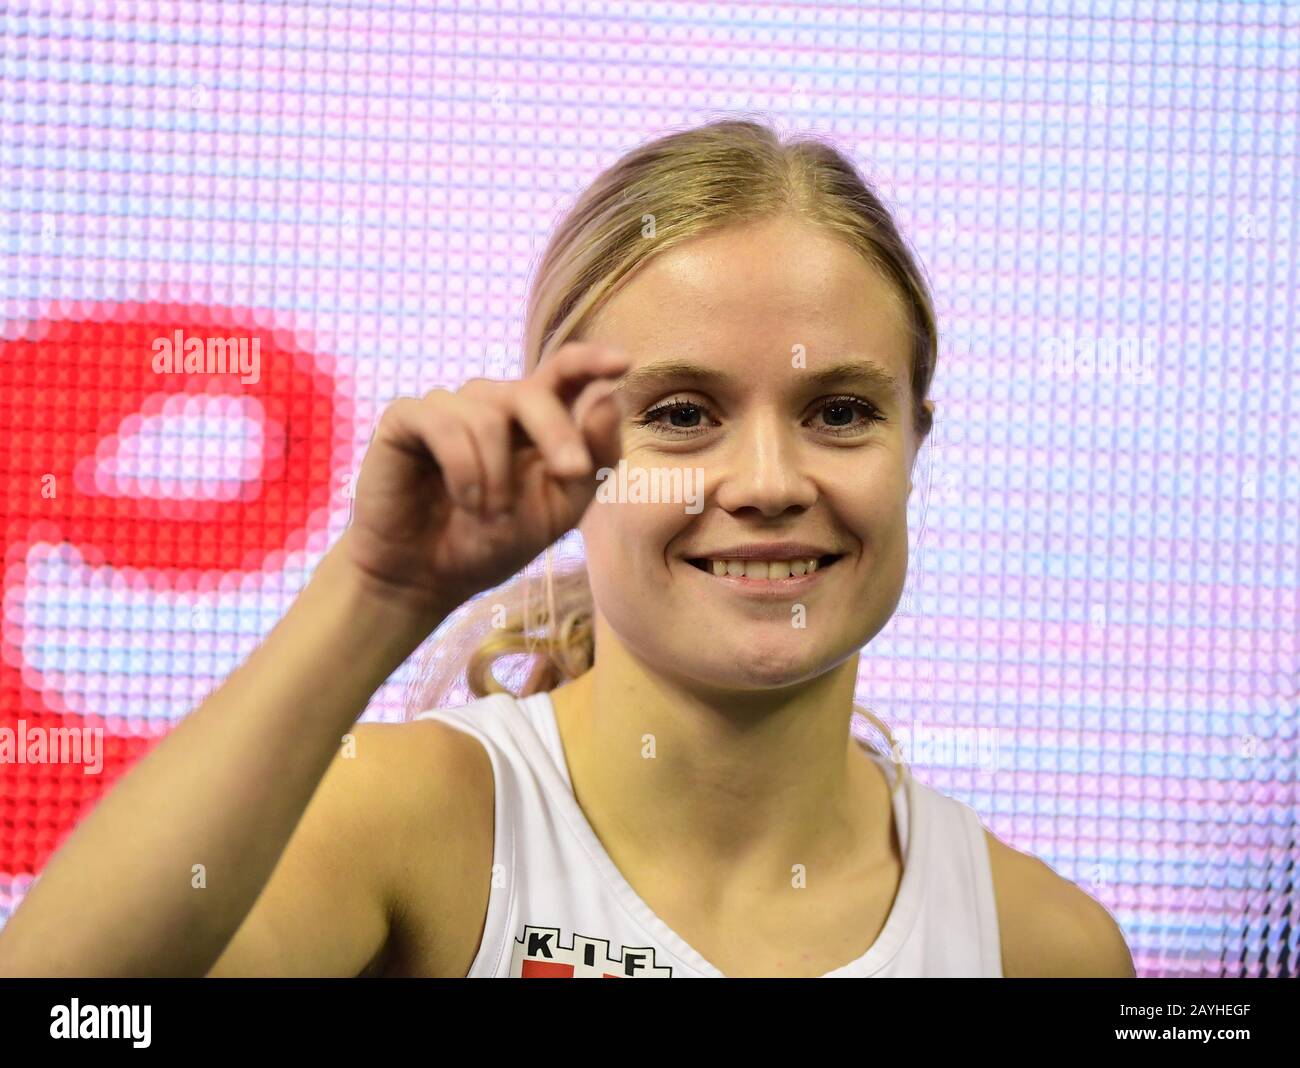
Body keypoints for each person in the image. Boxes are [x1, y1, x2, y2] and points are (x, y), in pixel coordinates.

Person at [0, 118, 1135, 978]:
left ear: (913, 442)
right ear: (572, 450)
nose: (770, 483)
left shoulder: (1044, 945)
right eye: (683, 413)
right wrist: (373, 593)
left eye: (838, 411)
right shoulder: (412, 824)